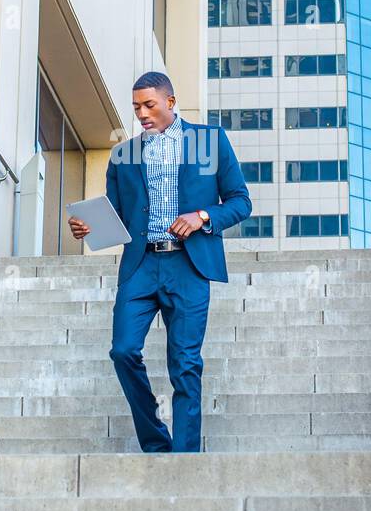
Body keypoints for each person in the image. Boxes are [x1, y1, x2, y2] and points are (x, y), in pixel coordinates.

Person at [68, 72, 252, 453]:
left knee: (185, 363)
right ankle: (155, 440)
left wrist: (202, 216)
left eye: (149, 104)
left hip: (188, 265)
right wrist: (88, 226)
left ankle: (184, 457)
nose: (142, 113)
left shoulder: (210, 141)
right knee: (122, 350)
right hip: (140, 266)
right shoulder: (124, 154)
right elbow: (116, 214)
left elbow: (240, 201)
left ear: (170, 101)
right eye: (136, 107)